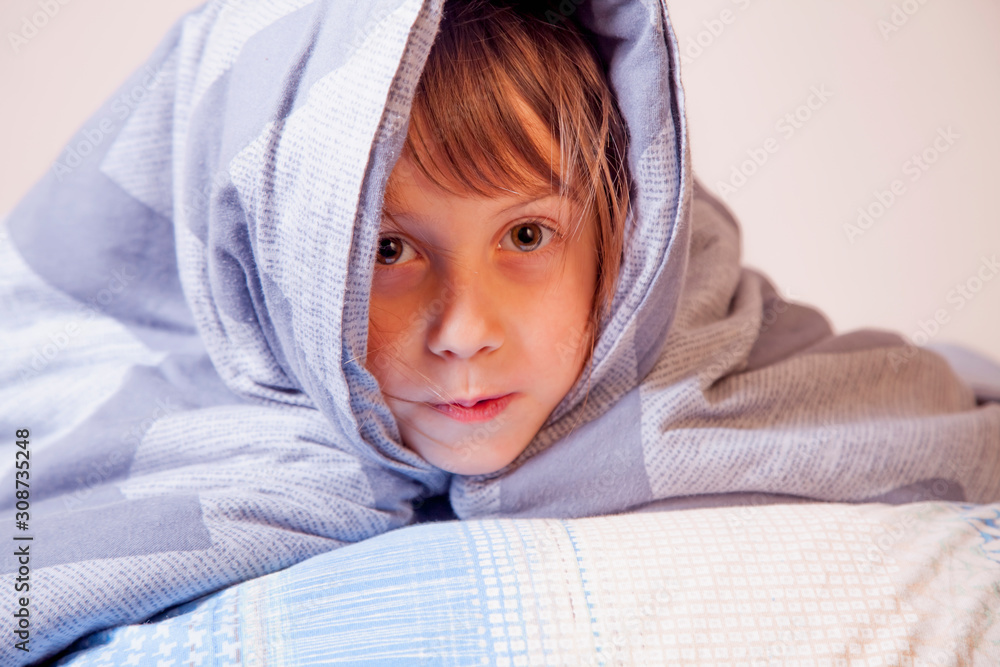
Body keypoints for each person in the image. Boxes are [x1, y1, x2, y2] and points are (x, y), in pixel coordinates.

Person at [1, 0, 997, 663]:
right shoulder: (86, 472)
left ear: (624, 232)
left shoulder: (752, 399)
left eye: (526, 233)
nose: (464, 329)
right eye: (385, 252)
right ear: (266, 257)